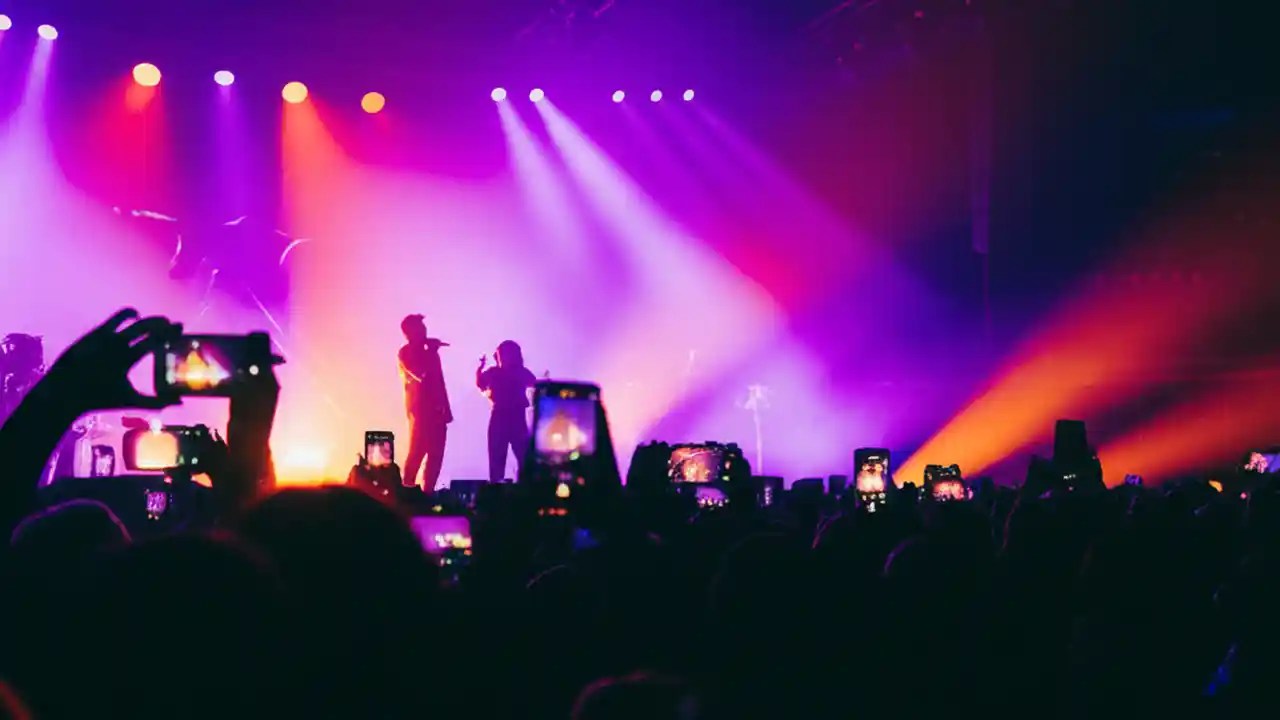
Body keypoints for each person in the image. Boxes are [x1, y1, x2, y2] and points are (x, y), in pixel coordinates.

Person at [399, 314, 452, 490]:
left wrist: (444, 409)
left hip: (438, 413)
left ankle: (427, 493)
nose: (424, 331)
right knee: (416, 453)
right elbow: (421, 374)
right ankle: (406, 492)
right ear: (408, 333)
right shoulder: (406, 352)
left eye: (424, 328)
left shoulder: (429, 353)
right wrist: (431, 351)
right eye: (419, 328)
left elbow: (438, 382)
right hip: (421, 414)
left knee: (435, 457)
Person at [476, 340, 537, 483]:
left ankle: (522, 485)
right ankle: (502, 486)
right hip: (503, 417)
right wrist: (480, 368)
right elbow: (481, 383)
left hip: (513, 417)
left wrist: (480, 369)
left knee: (520, 456)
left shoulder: (518, 372)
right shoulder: (497, 372)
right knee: (499, 458)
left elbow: (534, 382)